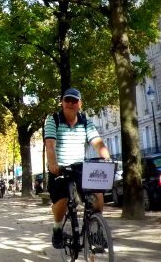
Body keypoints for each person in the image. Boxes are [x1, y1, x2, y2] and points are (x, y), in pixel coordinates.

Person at [44, 87, 111, 249]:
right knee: (62, 200)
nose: (70, 103)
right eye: (67, 100)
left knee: (97, 196)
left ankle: (95, 231)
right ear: (62, 102)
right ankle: (58, 228)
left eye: (74, 101)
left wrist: (107, 158)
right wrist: (53, 164)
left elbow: (98, 143)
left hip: (80, 167)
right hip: (59, 168)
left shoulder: (85, 122)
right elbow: (50, 146)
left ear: (80, 104)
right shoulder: (53, 120)